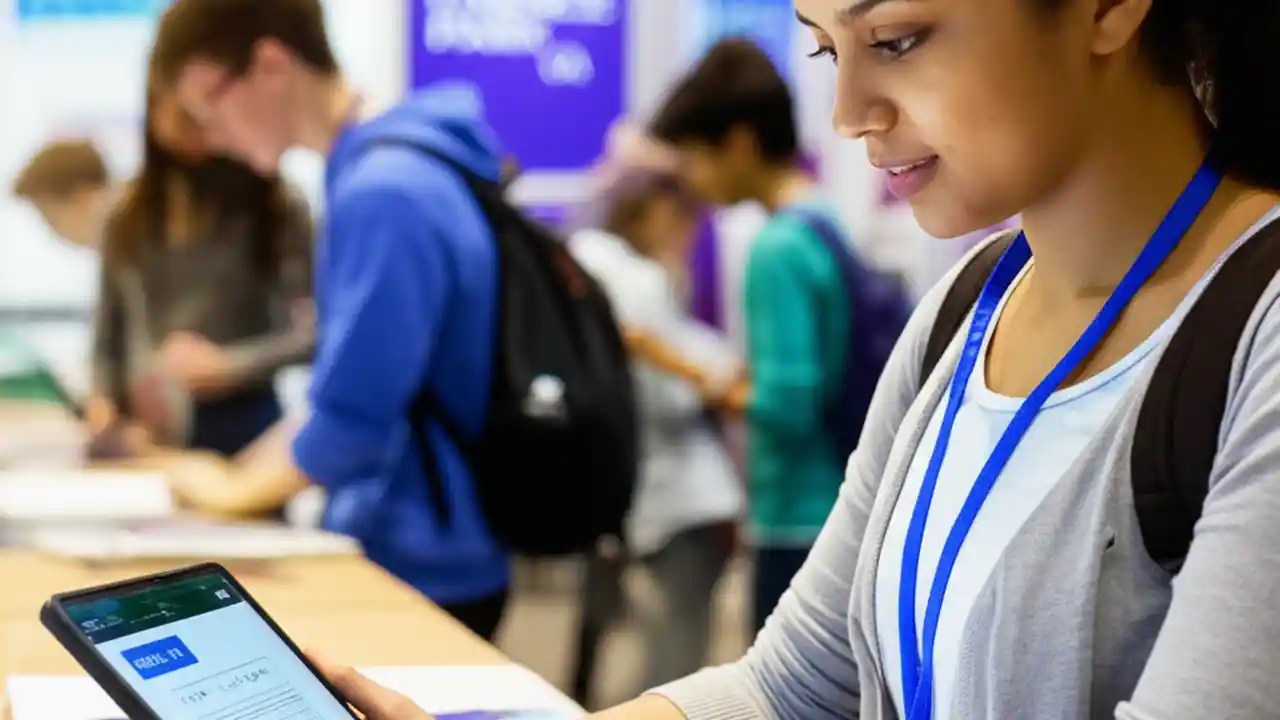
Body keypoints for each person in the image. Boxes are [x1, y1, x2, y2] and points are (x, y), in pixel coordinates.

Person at [313, 0, 1280, 718]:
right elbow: (794, 681)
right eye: (826, 47)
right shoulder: (970, 306)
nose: (849, 111)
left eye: (896, 40)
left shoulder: (1256, 333)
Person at [149, 0, 510, 639]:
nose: (211, 135)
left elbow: (353, 423)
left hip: (419, 562)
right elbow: (341, 395)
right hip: (429, 543)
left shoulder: (385, 191)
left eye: (210, 104)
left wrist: (226, 493)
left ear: (270, 62)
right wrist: (230, 479)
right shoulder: (392, 169)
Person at [647, 38, 858, 635]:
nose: (690, 178)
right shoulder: (824, 222)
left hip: (794, 516)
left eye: (693, 157)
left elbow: (788, 406)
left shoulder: (775, 248)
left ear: (738, 144)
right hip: (836, 506)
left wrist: (705, 383)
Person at [568, 126, 746, 691]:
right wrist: (716, 375)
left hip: (632, 494)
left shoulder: (585, 267)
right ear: (659, 209)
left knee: (638, 651)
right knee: (679, 665)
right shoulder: (640, 280)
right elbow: (669, 395)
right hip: (683, 500)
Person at [89, 73, 315, 458]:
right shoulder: (126, 212)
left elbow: (314, 333)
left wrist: (228, 366)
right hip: (147, 433)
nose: (182, 121)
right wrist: (103, 401)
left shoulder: (275, 206)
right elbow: (108, 332)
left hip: (245, 428)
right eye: (170, 105)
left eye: (197, 109)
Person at [11, 139, 112, 248]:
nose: (55, 233)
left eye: (52, 220)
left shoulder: (129, 249)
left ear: (84, 196)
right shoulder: (120, 251)